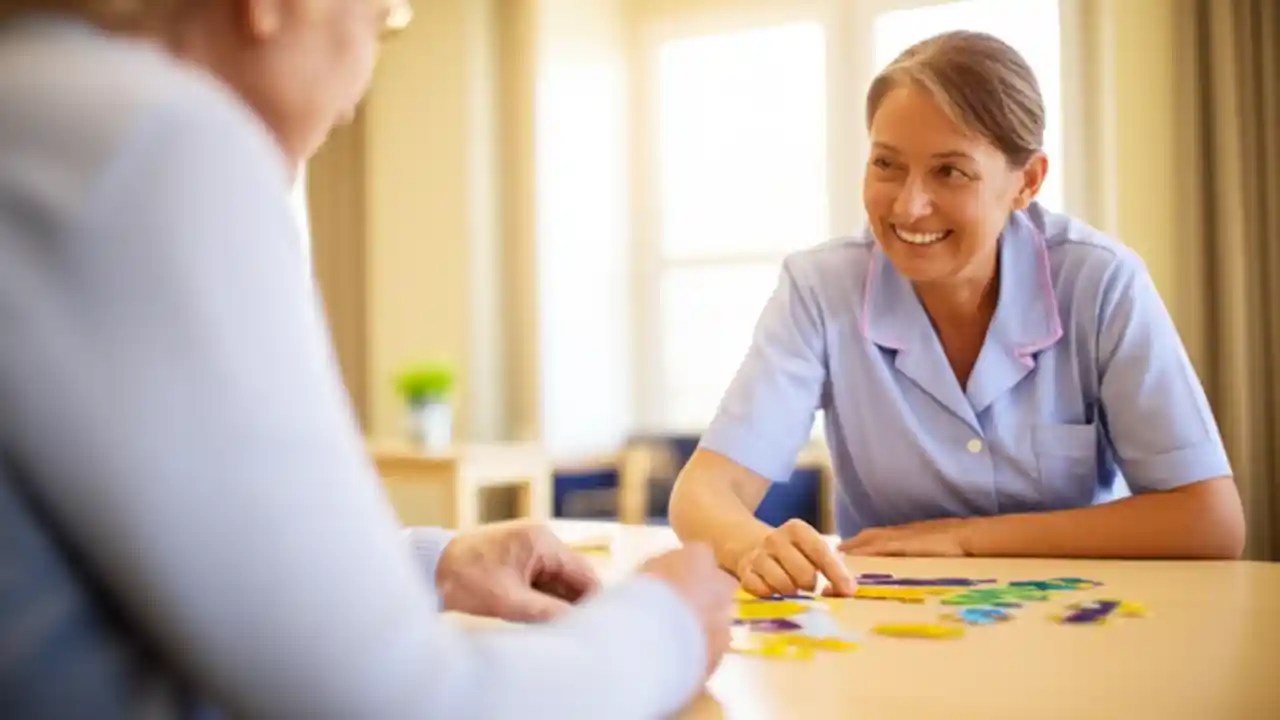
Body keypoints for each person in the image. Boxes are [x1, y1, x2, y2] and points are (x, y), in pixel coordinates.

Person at [0, 1, 735, 717]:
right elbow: (398, 701)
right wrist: (662, 625)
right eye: (378, 24)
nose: (355, 101)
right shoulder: (157, 140)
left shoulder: (45, 107)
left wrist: (432, 563)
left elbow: (175, 555)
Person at [668, 30, 1246, 599]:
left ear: (1027, 182)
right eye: (886, 164)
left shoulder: (1100, 282)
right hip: (891, 625)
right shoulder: (820, 288)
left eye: (951, 171)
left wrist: (970, 539)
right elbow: (706, 491)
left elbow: (1210, 520)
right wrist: (749, 544)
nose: (908, 205)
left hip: (1081, 626)